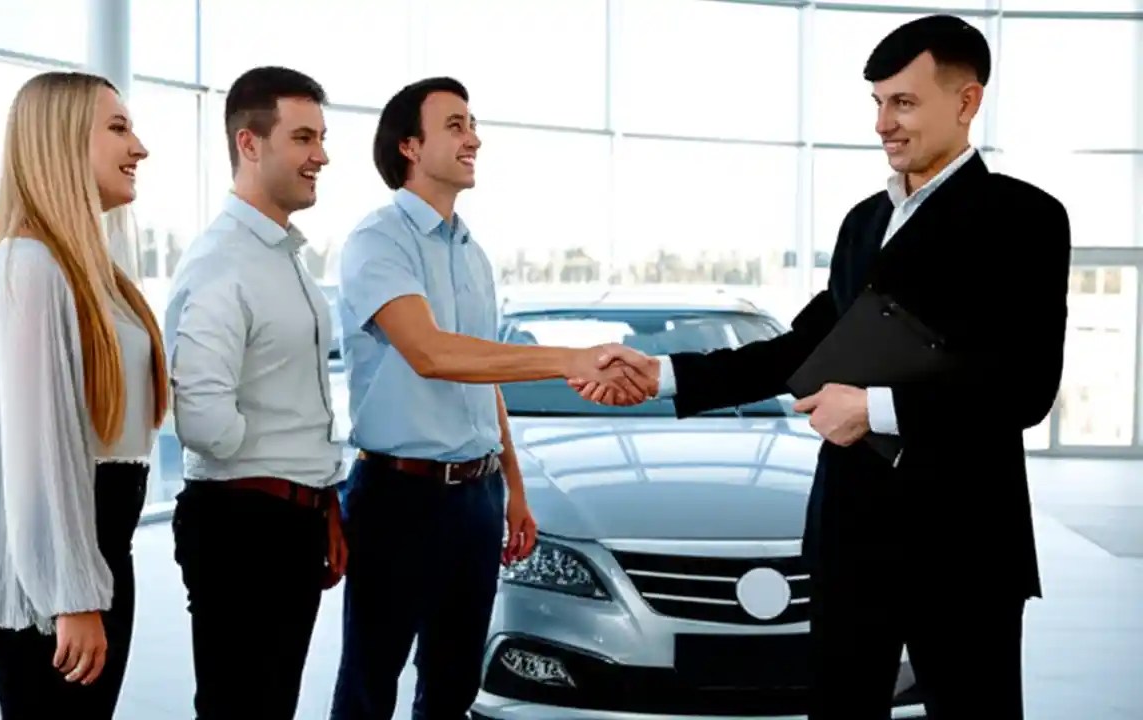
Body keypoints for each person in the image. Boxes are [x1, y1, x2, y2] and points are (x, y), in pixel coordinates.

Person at [575, 15, 1070, 720]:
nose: (882, 124)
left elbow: (1023, 386)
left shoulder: (1025, 219)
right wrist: (662, 374)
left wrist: (874, 409)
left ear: (966, 103)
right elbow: (800, 348)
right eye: (876, 103)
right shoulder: (863, 221)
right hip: (850, 535)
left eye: (903, 102)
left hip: (962, 549)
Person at [328, 76, 652, 720]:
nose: (473, 138)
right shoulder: (379, 241)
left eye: (472, 124)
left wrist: (515, 487)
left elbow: (484, 374)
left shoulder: (472, 252)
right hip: (399, 498)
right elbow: (433, 353)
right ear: (410, 146)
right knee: (370, 683)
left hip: (478, 498)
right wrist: (570, 360)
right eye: (455, 125)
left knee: (453, 683)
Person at [0, 71, 168, 720]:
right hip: (64, 561)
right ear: (63, 142)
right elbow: (38, 455)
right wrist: (71, 597)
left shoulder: (93, 271)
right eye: (119, 128)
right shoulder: (30, 266)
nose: (140, 147)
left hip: (99, 547)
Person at [163, 65, 347, 719]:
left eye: (321, 137)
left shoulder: (280, 254)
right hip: (245, 525)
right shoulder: (223, 260)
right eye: (303, 137)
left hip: (290, 518)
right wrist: (273, 467)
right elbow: (206, 424)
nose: (321, 155)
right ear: (250, 144)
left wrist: (314, 494)